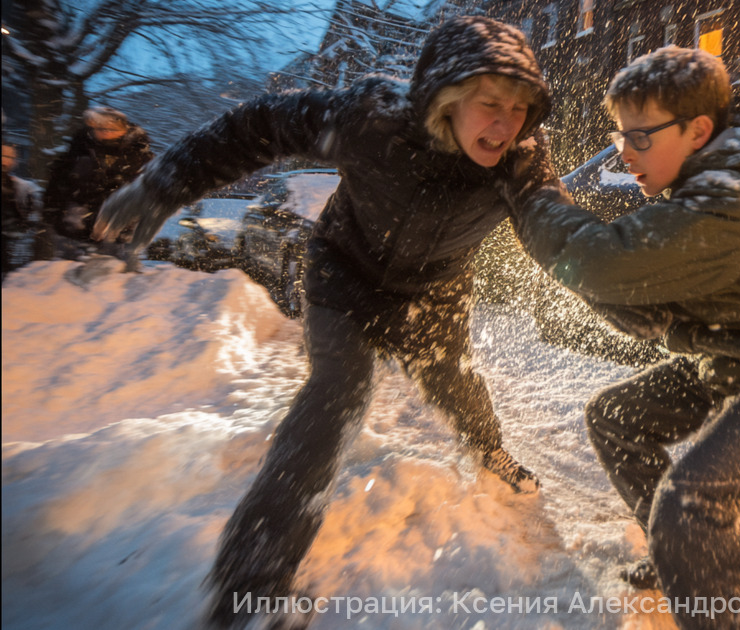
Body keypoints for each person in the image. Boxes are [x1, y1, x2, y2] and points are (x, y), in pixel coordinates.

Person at [91, 16, 552, 629]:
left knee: (456, 380)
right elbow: (255, 126)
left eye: (519, 107)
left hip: (434, 293)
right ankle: (252, 584)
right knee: (339, 393)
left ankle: (489, 449)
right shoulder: (370, 119)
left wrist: (633, 279)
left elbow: (560, 230)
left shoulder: (522, 160)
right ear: (444, 96)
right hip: (345, 276)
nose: (506, 123)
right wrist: (163, 183)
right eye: (489, 102)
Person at [507, 46, 740, 629]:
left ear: (698, 131)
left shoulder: (728, 203)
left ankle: (702, 563)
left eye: (640, 138)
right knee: (616, 418)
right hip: (734, 352)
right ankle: (681, 557)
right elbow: (628, 285)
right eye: (620, 136)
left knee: (692, 505)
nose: (624, 153)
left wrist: (531, 186)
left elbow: (600, 261)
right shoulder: (708, 186)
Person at [43, 107, 153, 267]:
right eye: (101, 129)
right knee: (69, 278)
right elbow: (56, 186)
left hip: (121, 232)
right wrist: (52, 213)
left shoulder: (141, 157)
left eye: (112, 129)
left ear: (124, 130)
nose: (106, 132)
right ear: (93, 128)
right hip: (75, 231)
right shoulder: (77, 153)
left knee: (117, 279)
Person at [2, 138, 41, 281]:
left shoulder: (23, 187)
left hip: (13, 241)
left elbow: (32, 216)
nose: (4, 161)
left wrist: (23, 228)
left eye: (8, 157)